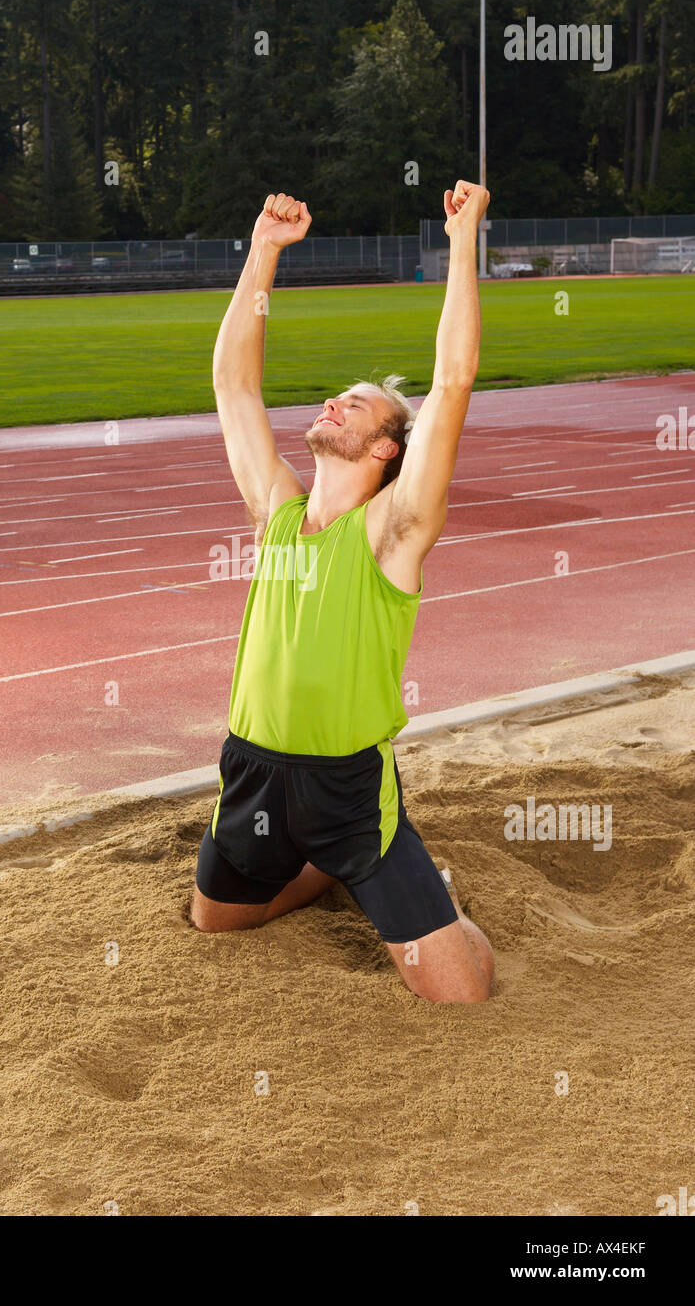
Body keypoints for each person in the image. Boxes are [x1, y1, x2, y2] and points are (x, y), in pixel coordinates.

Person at [190, 182, 495, 1004]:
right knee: (215, 919)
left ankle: (433, 899)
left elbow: (454, 378)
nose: (332, 402)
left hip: (348, 789)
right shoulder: (276, 513)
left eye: (354, 404)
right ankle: (327, 875)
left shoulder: (394, 531)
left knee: (460, 992)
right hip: (251, 770)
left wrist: (462, 238)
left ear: (387, 448)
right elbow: (232, 387)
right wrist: (263, 250)